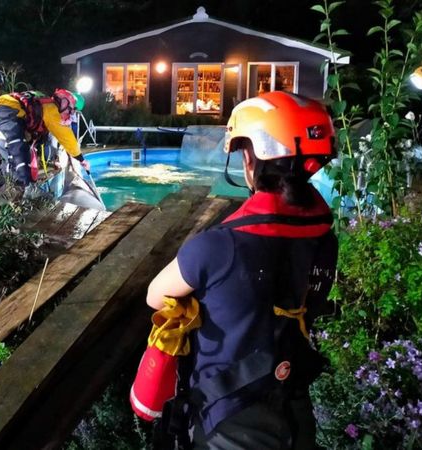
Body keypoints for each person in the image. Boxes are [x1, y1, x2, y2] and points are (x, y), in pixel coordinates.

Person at [145, 91, 339, 449]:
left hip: (229, 418)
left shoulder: (218, 246)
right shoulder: (324, 238)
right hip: (293, 404)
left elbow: (155, 295)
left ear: (250, 158)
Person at [0, 89, 89, 187]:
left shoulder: (44, 106)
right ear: (64, 102)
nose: (70, 114)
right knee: (20, 160)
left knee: (22, 163)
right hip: (7, 108)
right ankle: (22, 184)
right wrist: (81, 159)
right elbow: (66, 137)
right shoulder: (52, 109)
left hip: (3, 111)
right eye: (70, 110)